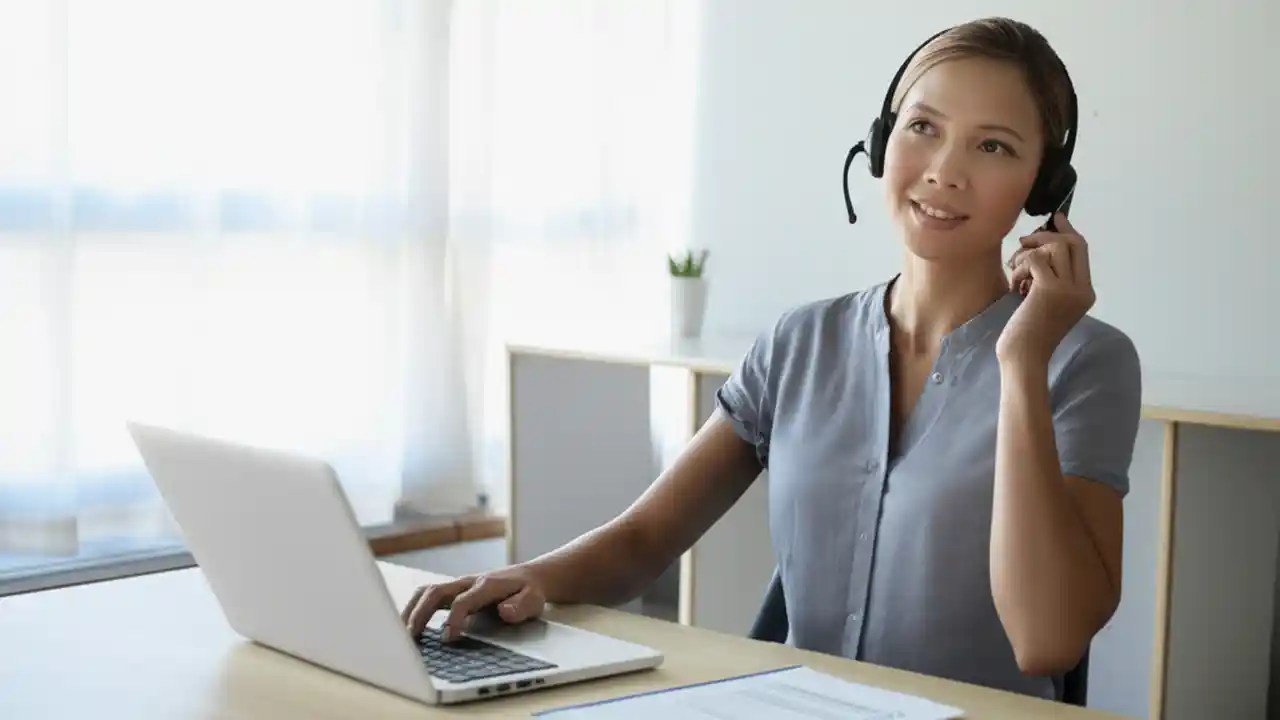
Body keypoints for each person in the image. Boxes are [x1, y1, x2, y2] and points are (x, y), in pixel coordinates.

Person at [402, 17, 1141, 701]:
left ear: (1046, 189)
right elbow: (645, 539)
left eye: (993, 146)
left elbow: (1049, 640)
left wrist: (1020, 362)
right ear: (882, 142)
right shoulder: (800, 342)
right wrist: (516, 579)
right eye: (924, 127)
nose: (944, 170)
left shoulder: (1084, 364)